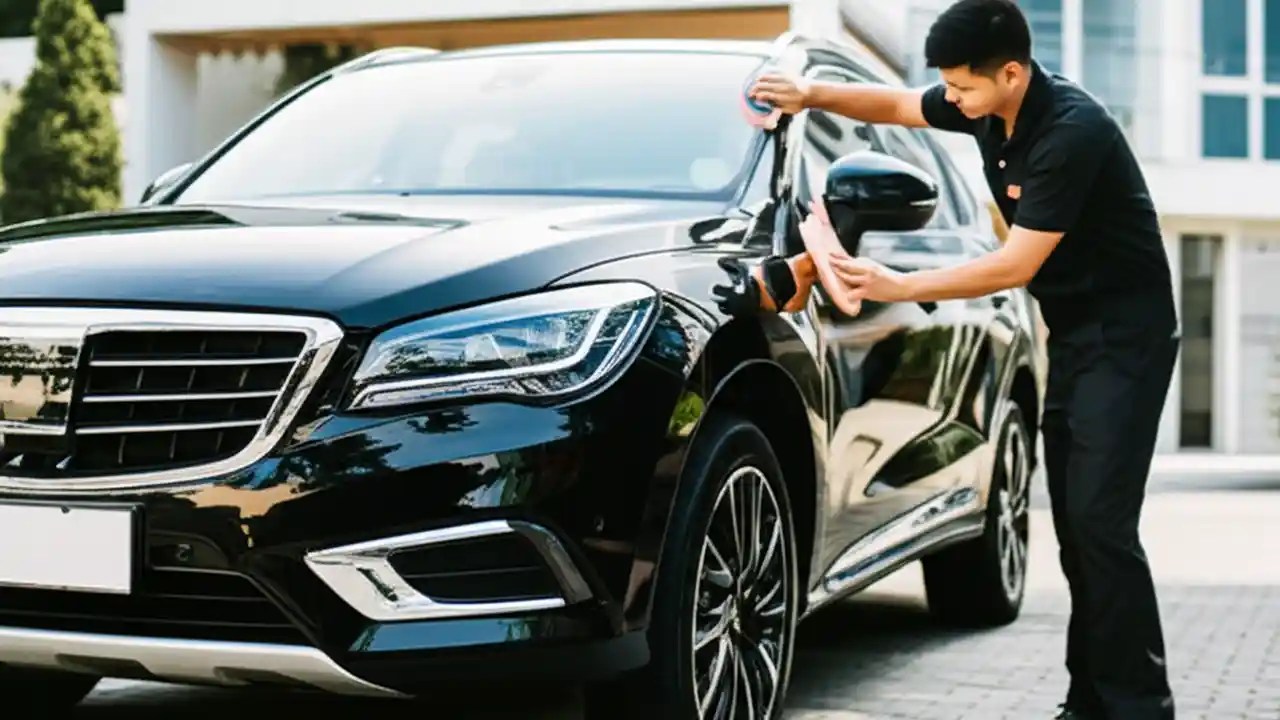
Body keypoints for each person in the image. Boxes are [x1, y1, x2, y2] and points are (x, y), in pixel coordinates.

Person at [728, 1, 1180, 718]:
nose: (953, 99)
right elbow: (897, 104)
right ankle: (1091, 701)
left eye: (963, 87)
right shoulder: (984, 105)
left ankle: (1139, 708)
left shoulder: (1071, 131)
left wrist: (900, 285)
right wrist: (810, 94)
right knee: (1077, 525)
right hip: (1075, 335)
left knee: (1102, 527)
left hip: (1127, 340)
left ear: (1011, 72)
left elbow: (1014, 263)